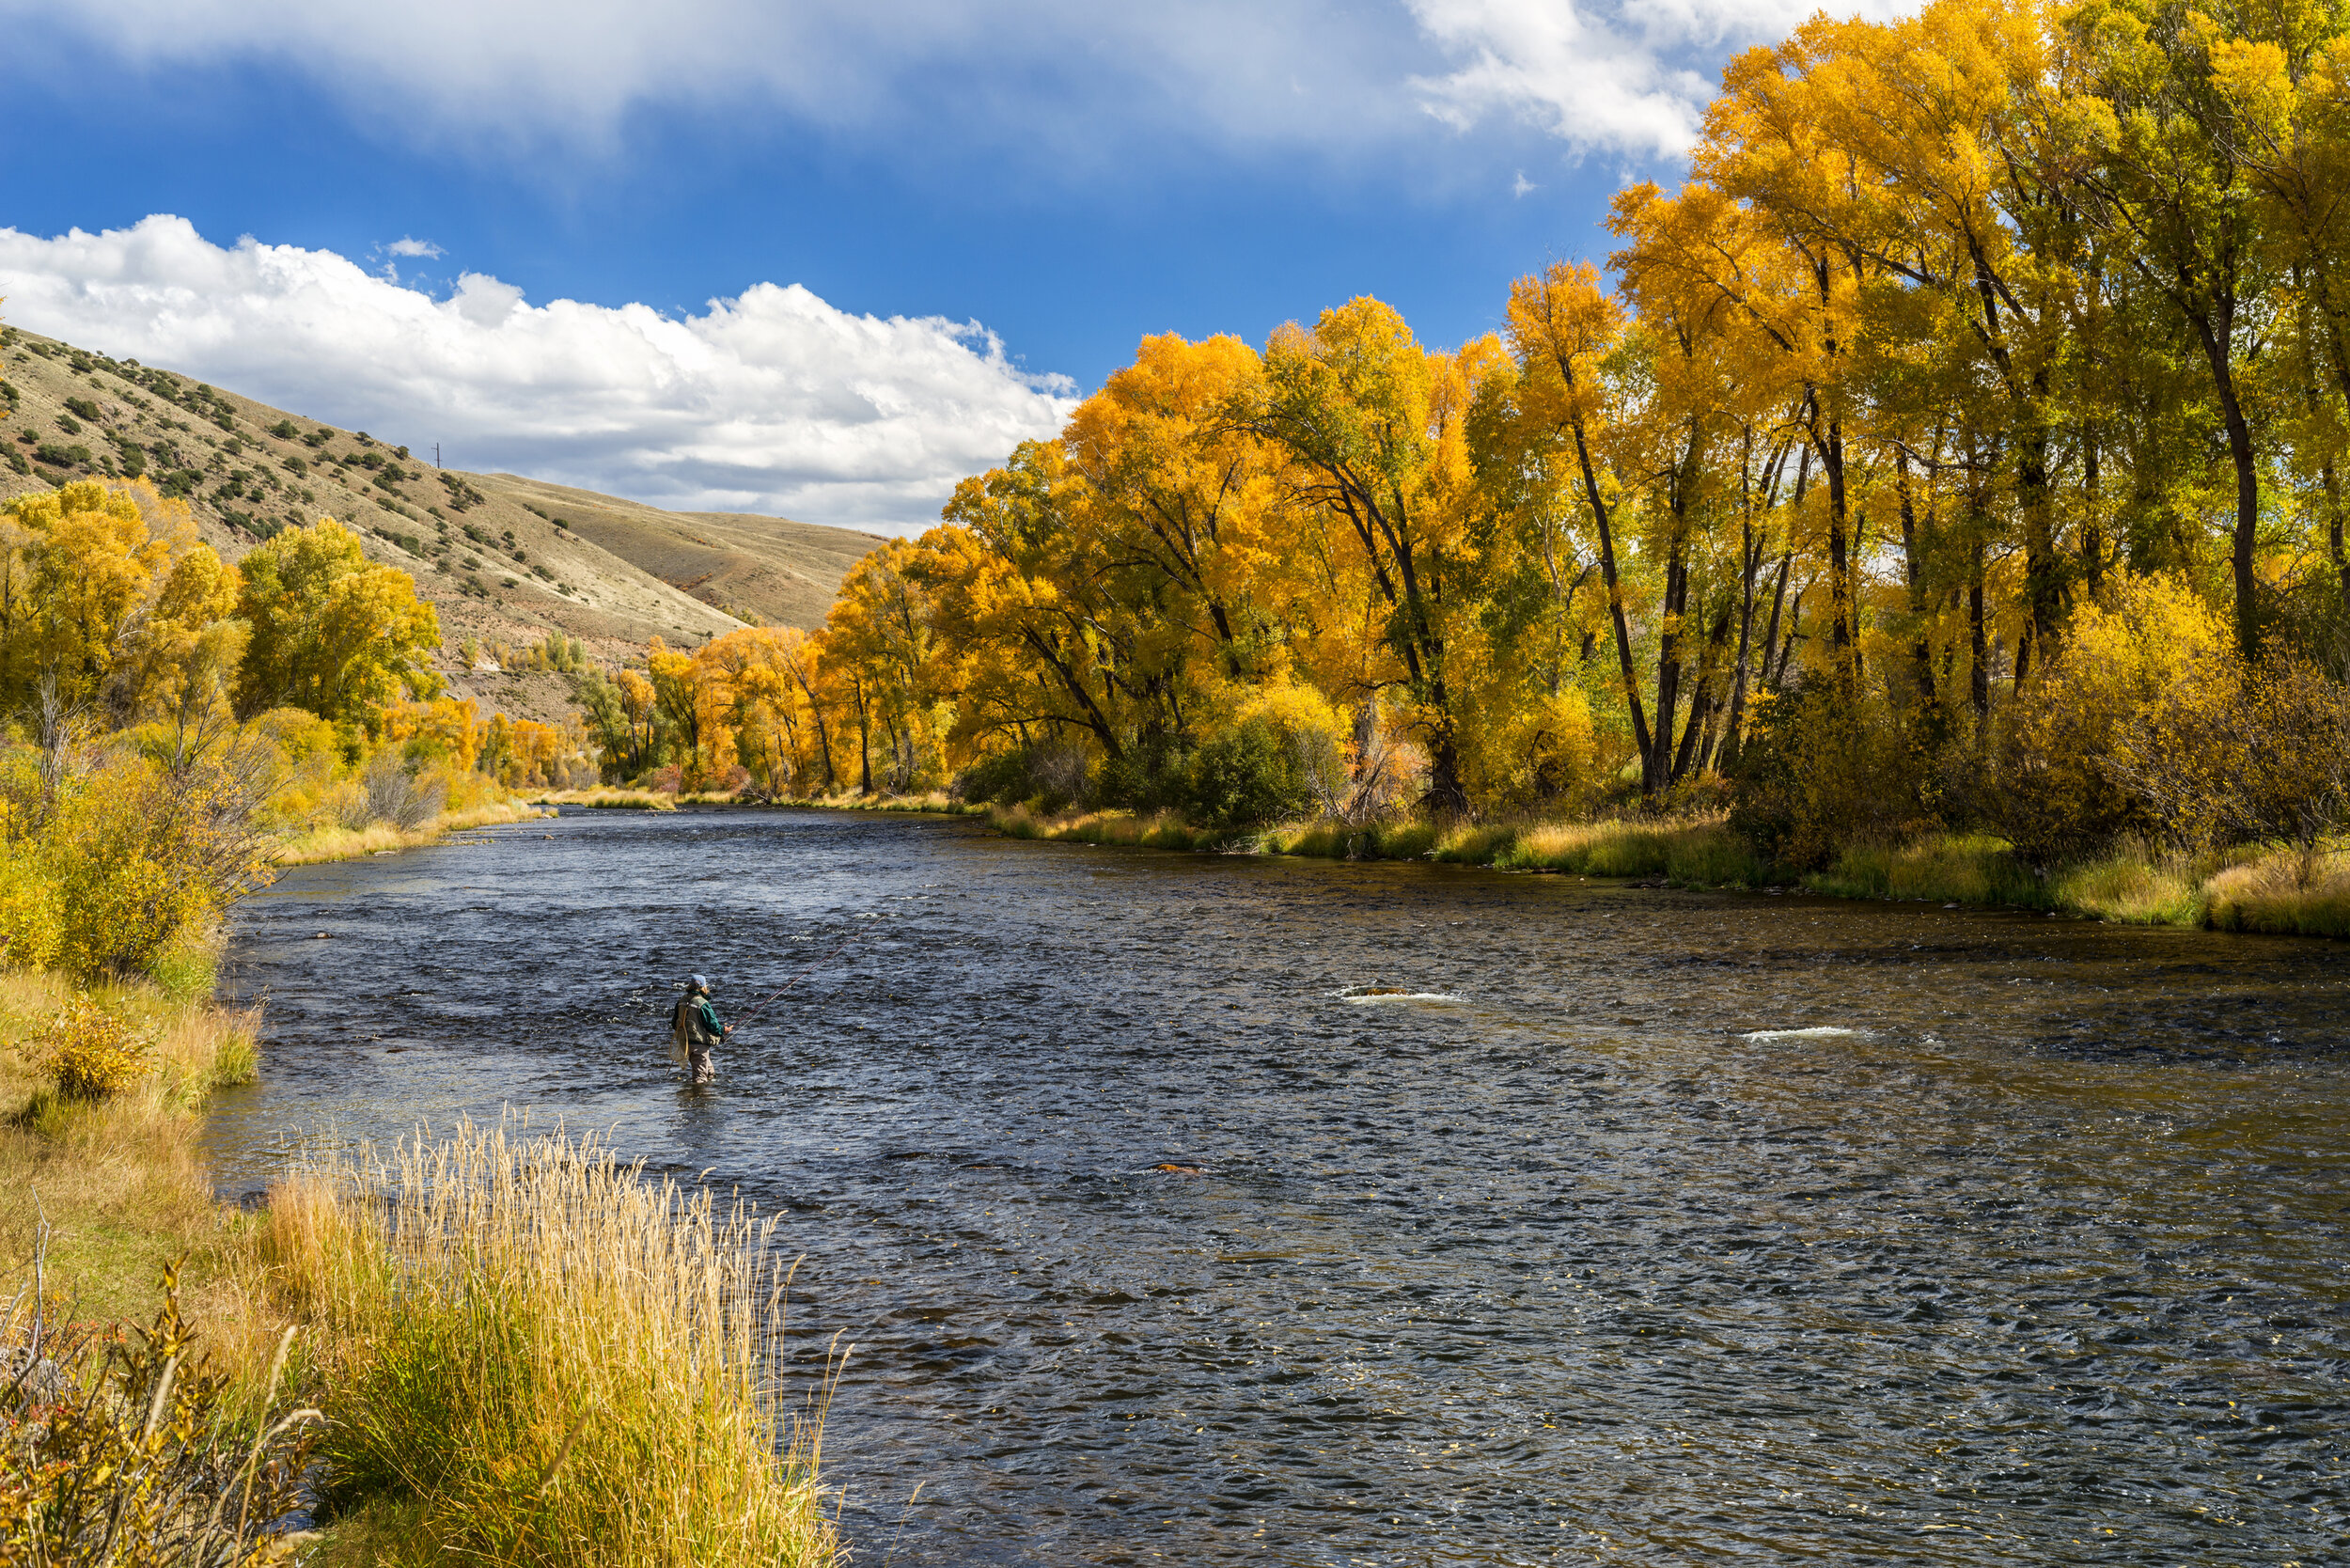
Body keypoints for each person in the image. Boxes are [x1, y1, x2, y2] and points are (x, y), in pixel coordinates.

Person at [670, 974, 730, 1085]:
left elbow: (674, 1024)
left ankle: (708, 1092)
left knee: (710, 1072)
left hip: (684, 1043)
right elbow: (712, 1025)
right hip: (698, 1046)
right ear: (703, 987)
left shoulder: (681, 1001)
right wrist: (723, 1030)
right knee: (700, 1079)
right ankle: (698, 1095)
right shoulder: (703, 1004)